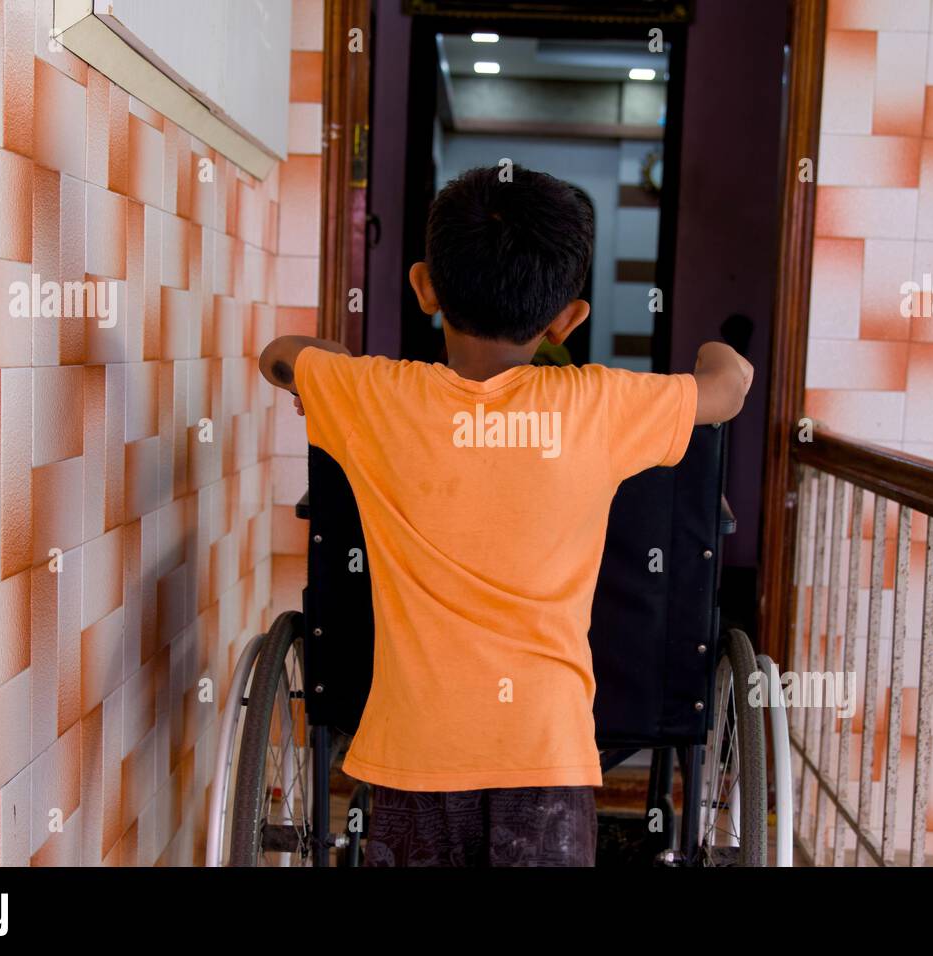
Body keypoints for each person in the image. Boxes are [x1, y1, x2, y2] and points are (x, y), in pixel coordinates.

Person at [258, 166, 753, 866]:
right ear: (568, 319)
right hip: (546, 761)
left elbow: (281, 355)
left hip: (413, 761)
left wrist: (332, 365)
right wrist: (716, 347)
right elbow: (727, 389)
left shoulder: (372, 396)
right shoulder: (600, 405)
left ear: (424, 287)